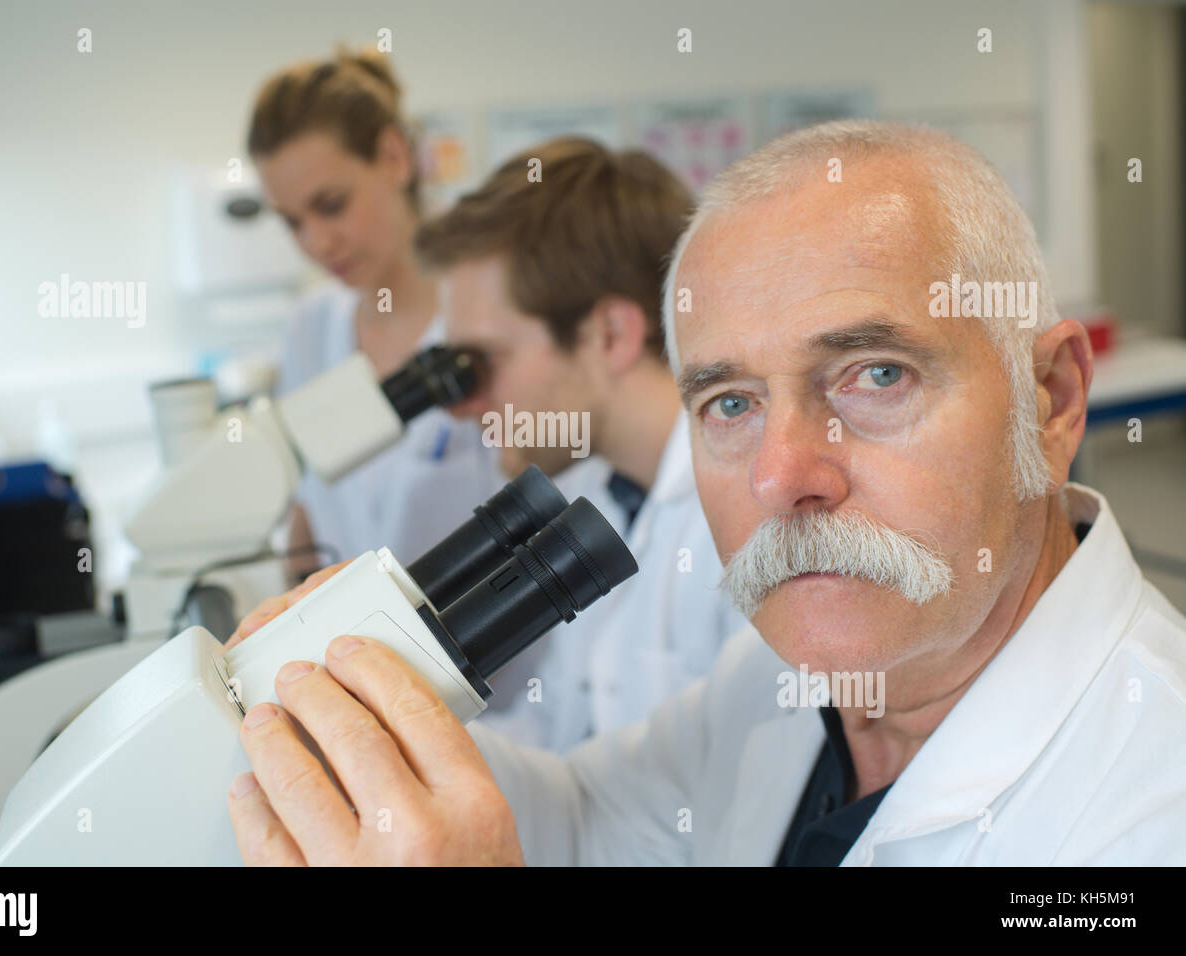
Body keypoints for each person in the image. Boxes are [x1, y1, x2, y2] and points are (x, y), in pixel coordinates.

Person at [222, 120, 1186, 865]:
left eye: (876, 376)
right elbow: (589, 819)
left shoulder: (1151, 803)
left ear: (1052, 399)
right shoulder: (782, 682)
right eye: (730, 403)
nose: (780, 477)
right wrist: (364, 712)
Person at [412, 137, 746, 751]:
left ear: (611, 334)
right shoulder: (593, 493)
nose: (464, 404)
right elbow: (558, 738)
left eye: (483, 360)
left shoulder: (748, 522)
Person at [247, 49, 502, 575]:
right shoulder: (311, 330)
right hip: (349, 648)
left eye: (332, 205)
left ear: (393, 156)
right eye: (292, 222)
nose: (317, 242)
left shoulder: (494, 311)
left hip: (500, 652)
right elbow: (308, 505)